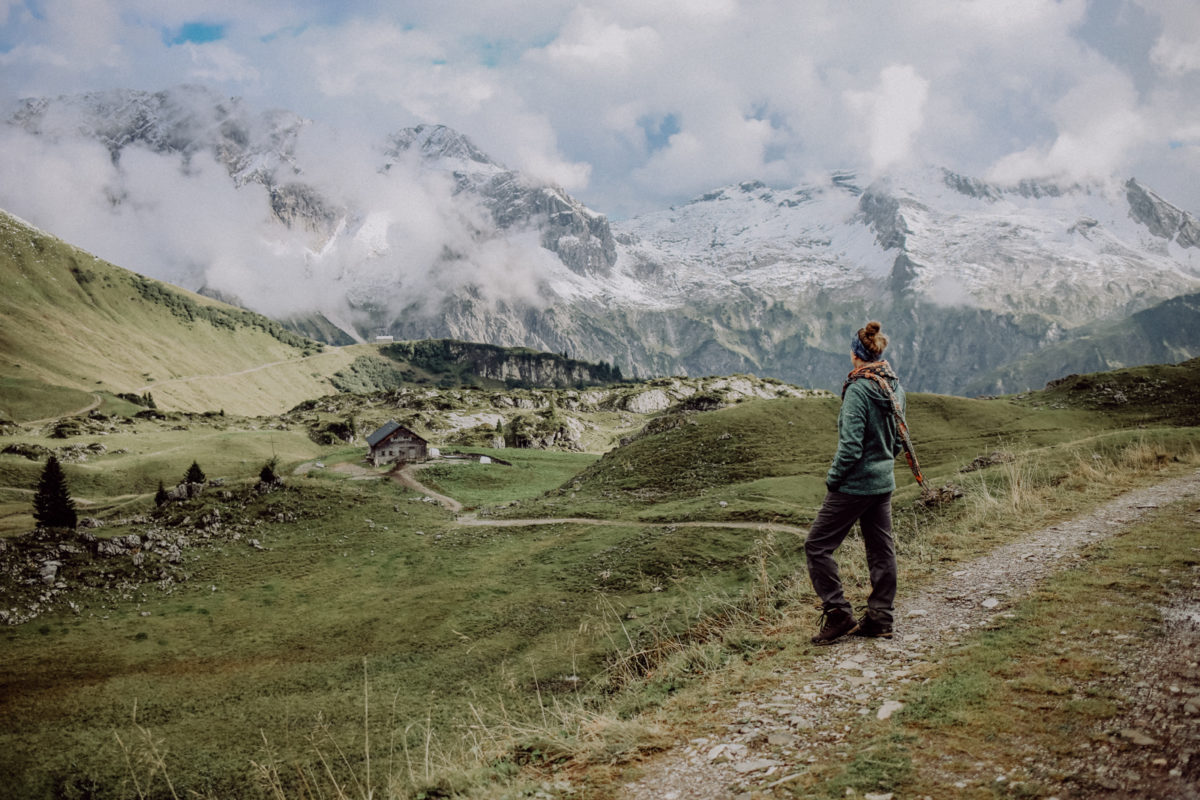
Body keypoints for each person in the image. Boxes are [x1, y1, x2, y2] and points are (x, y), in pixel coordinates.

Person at [805, 320, 908, 645]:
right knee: (881, 549)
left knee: (817, 546)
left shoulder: (859, 390)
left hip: (855, 485)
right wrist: (882, 462)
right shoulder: (894, 386)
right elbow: (898, 438)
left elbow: (850, 447)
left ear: (855, 355)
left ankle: (838, 612)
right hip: (883, 482)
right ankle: (880, 619)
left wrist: (834, 479)